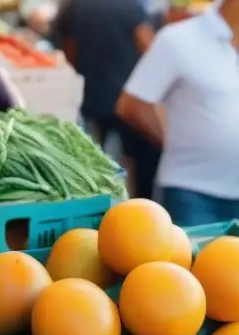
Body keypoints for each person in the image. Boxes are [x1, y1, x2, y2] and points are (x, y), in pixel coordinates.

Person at [116, 0, 239, 237]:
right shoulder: (178, 39)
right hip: (188, 195)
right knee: (188, 274)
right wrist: (174, 142)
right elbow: (131, 104)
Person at [54, 0, 161, 199]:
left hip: (92, 97)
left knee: (90, 163)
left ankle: (97, 204)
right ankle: (137, 207)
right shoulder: (133, 7)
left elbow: (68, 52)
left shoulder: (76, 6)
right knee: (134, 160)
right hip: (127, 99)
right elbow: (149, 49)